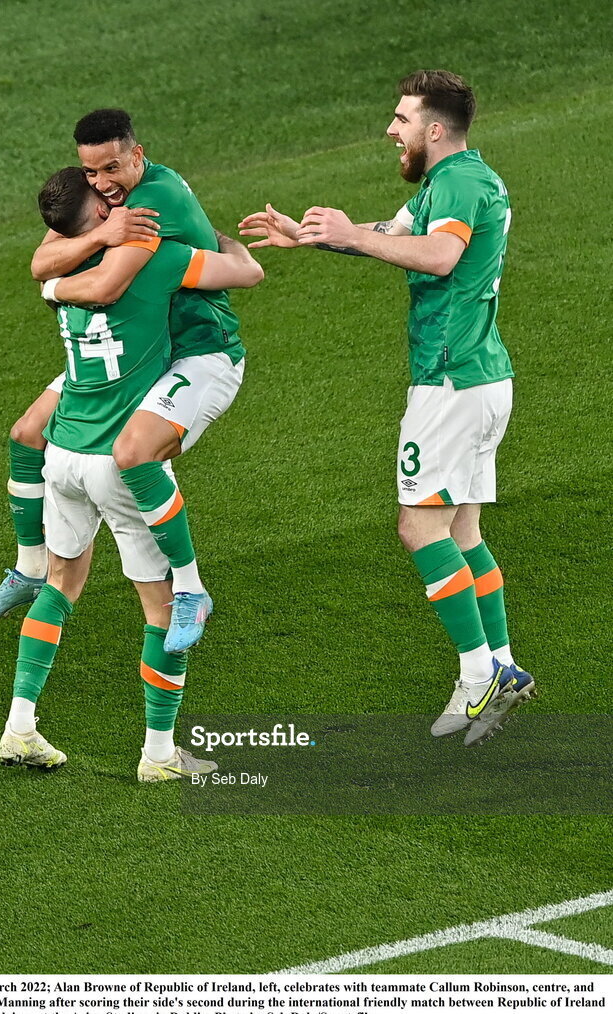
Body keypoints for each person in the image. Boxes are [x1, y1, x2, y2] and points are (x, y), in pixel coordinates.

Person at [238, 69, 534, 746]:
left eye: (401, 119)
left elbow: (435, 255)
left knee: (417, 530)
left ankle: (476, 674)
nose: (390, 129)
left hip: (449, 381)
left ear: (434, 129)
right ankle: (504, 667)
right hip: (482, 377)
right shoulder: (456, 180)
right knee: (461, 534)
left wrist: (351, 234)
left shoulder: (456, 182)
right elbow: (391, 231)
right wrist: (317, 235)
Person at [0, 167, 263, 778]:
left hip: (62, 453)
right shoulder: (159, 259)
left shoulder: (62, 273)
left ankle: (20, 727)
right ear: (99, 216)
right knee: (161, 607)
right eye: (105, 196)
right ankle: (160, 754)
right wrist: (213, 236)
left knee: (61, 585)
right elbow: (247, 274)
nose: (119, 198)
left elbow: (58, 270)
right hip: (114, 459)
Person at [0, 109, 247, 652]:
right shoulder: (111, 203)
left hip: (196, 351)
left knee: (135, 453)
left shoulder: (150, 204)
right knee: (27, 433)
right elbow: (40, 259)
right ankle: (29, 569)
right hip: (136, 347)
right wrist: (101, 236)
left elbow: (104, 287)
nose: (101, 184)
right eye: (91, 172)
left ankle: (189, 590)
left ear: (137, 155)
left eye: (111, 169)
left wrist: (55, 290)